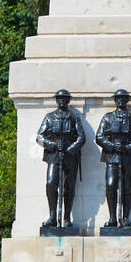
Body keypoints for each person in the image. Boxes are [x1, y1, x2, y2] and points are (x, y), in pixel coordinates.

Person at [95, 89, 131, 227]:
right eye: (118, 98)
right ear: (115, 101)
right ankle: (112, 218)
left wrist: (128, 148)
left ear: (127, 100)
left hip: (128, 156)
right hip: (111, 157)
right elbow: (99, 136)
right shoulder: (108, 117)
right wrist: (112, 146)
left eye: (123, 98)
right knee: (111, 186)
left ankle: (125, 218)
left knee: (127, 187)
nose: (121, 101)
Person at [36, 88, 85, 228]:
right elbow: (40, 137)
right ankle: (52, 216)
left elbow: (81, 138)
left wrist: (69, 150)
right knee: (51, 183)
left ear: (68, 101)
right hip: (53, 156)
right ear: (56, 100)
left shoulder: (74, 118)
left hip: (70, 156)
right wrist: (53, 146)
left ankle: (66, 217)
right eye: (60, 99)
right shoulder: (49, 117)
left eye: (65, 99)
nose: (62, 101)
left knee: (69, 186)